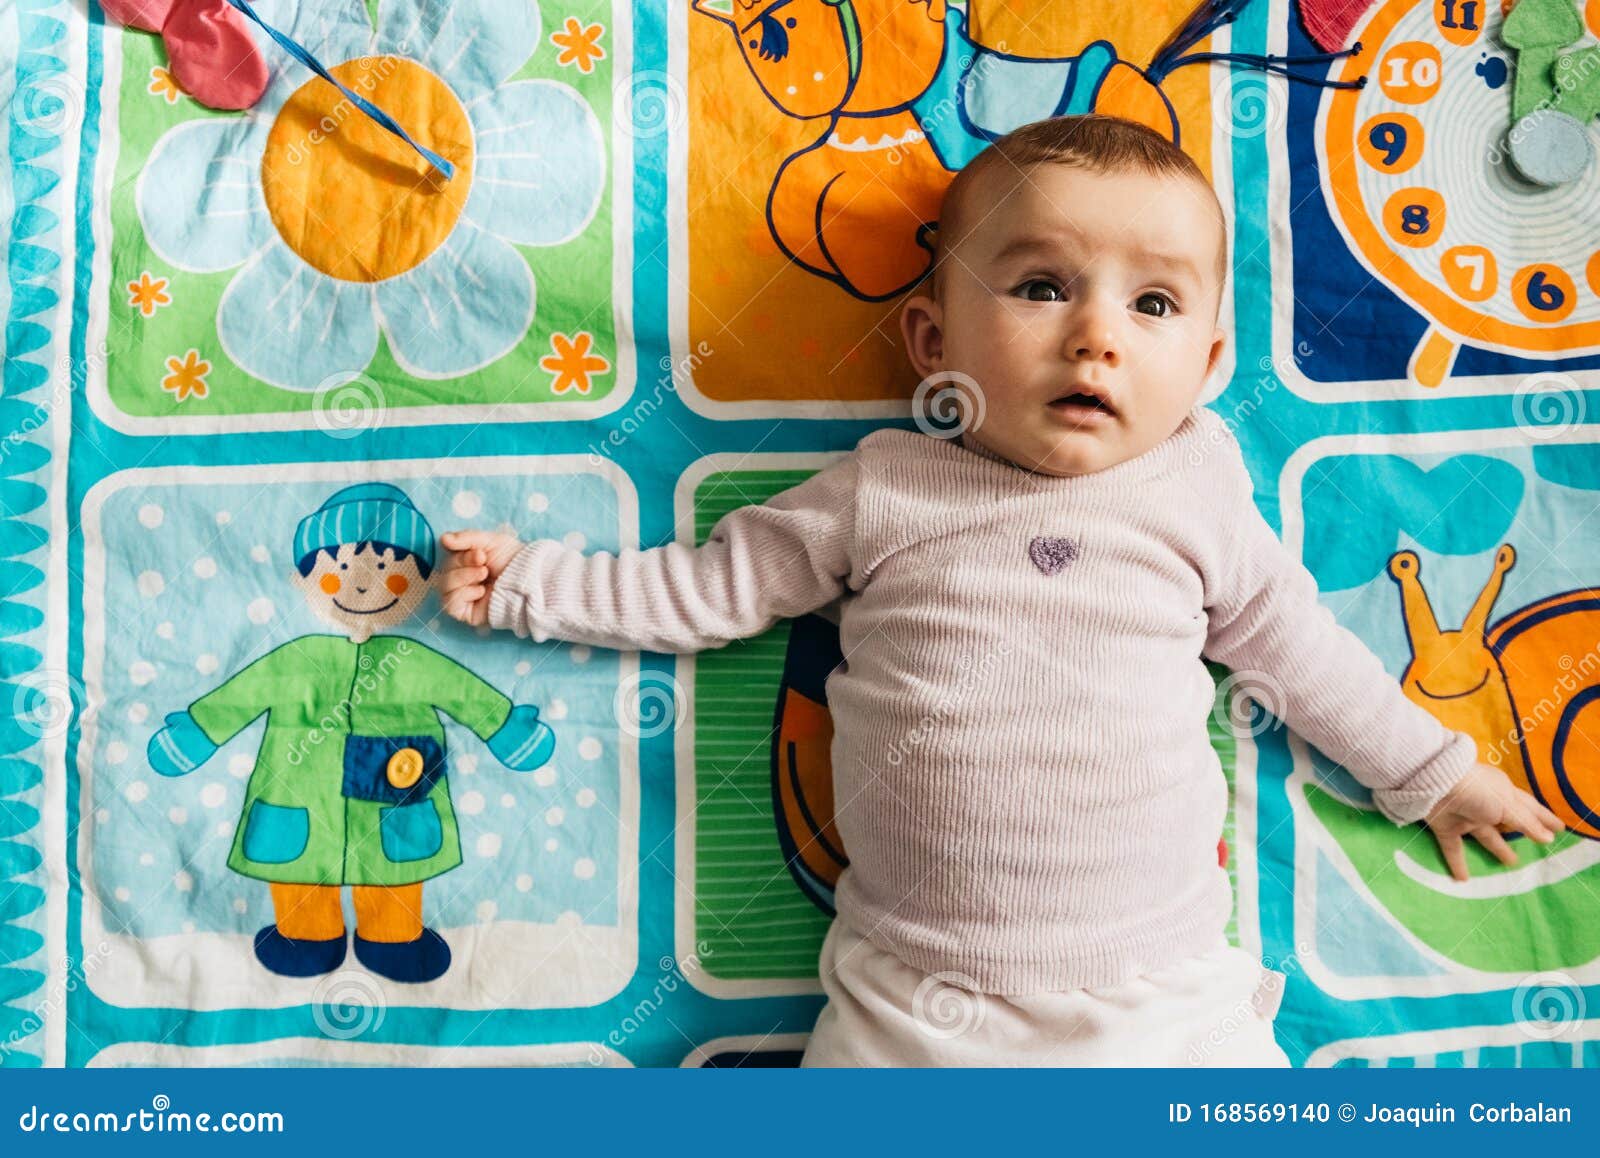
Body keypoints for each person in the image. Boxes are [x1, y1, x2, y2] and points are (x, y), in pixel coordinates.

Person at [437, 116, 1564, 1064]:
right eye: (1040, 287)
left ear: (1211, 366)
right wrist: (535, 582)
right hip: (914, 1003)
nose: (1095, 337)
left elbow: (1300, 651)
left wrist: (1432, 774)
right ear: (933, 340)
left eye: (1153, 306)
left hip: (1159, 998)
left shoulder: (1197, 490)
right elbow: (708, 588)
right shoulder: (883, 491)